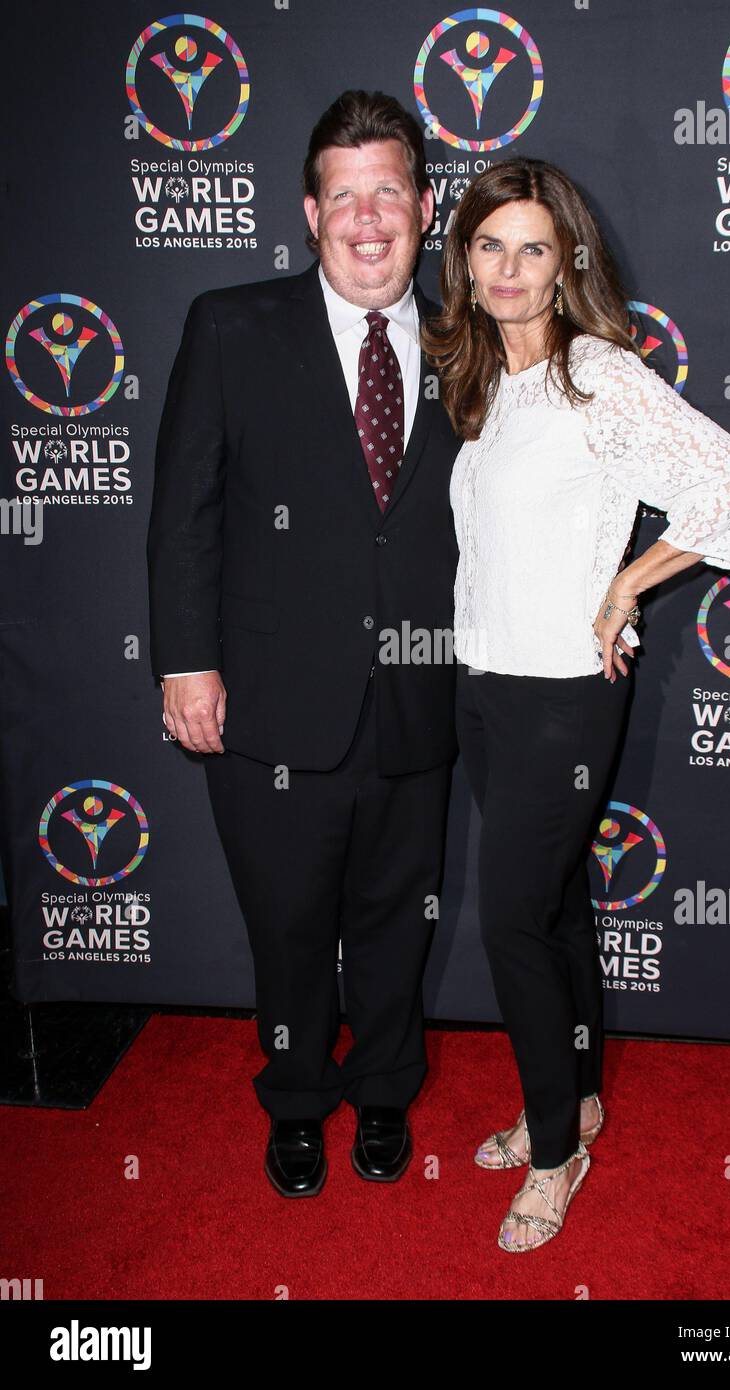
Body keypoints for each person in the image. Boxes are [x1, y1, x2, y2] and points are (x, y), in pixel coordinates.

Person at [422, 158, 730, 1252]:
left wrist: (624, 585)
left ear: (566, 261)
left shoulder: (594, 373)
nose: (509, 270)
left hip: (564, 696)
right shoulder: (486, 382)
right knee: (558, 907)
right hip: (484, 681)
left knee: (513, 919)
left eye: (533, 247)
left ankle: (553, 1151)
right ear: (464, 261)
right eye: (489, 246)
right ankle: (570, 1099)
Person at [146, 90, 460, 1197]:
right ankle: (293, 1100)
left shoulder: (475, 343)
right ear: (308, 212)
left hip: (423, 697)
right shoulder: (231, 325)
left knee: (394, 917)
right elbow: (184, 506)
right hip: (269, 698)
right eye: (344, 197)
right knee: (285, 924)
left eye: (388, 193)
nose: (367, 219)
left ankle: (382, 1092)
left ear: (425, 207)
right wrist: (184, 660)